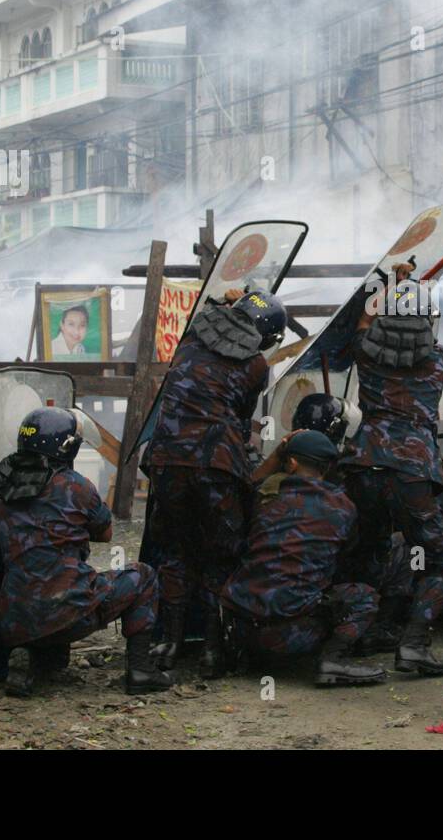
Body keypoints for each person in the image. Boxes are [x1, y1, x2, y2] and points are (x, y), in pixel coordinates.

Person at [142, 287, 286, 678]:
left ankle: (167, 644)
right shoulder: (256, 366)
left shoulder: (190, 340)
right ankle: (211, 650)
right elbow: (239, 421)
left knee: (175, 550)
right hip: (216, 465)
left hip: (167, 459)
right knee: (220, 554)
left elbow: (215, 319)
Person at [0, 407, 170, 696]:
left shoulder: (7, 485)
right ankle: (140, 670)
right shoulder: (76, 486)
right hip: (67, 610)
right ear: (67, 446)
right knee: (144, 576)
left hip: (14, 618)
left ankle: (32, 658)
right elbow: (106, 533)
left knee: (45, 602)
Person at [339, 268, 443, 676]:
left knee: (367, 550)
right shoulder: (439, 361)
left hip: (363, 465)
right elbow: (419, 330)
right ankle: (413, 645)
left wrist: (391, 282)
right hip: (412, 471)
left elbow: (364, 321)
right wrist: (417, 290)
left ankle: (357, 633)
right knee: (441, 562)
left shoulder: (364, 353)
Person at [222, 431, 387, 686]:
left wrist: (276, 455)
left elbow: (245, 486)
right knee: (364, 597)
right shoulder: (343, 506)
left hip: (240, 630)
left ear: (292, 463)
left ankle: (244, 656)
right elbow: (346, 555)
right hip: (293, 637)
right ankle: (333, 660)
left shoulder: (263, 495)